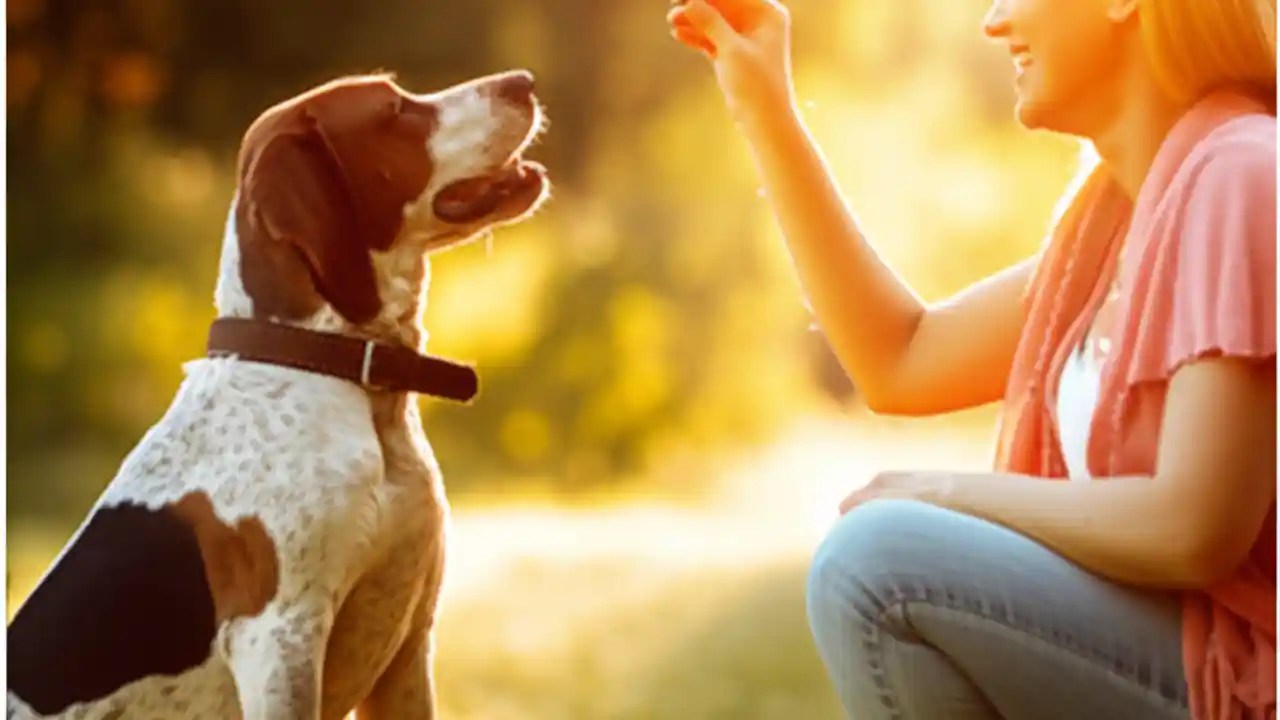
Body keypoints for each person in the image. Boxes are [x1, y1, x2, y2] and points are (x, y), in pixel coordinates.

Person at [668, 0, 1276, 718]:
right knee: (878, 556)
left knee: (878, 564)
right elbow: (901, 359)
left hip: (1240, 684)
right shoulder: (1110, 233)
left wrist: (947, 494)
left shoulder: (1245, 173)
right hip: (1169, 659)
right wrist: (765, 108)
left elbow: (1192, 530)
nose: (994, 22)